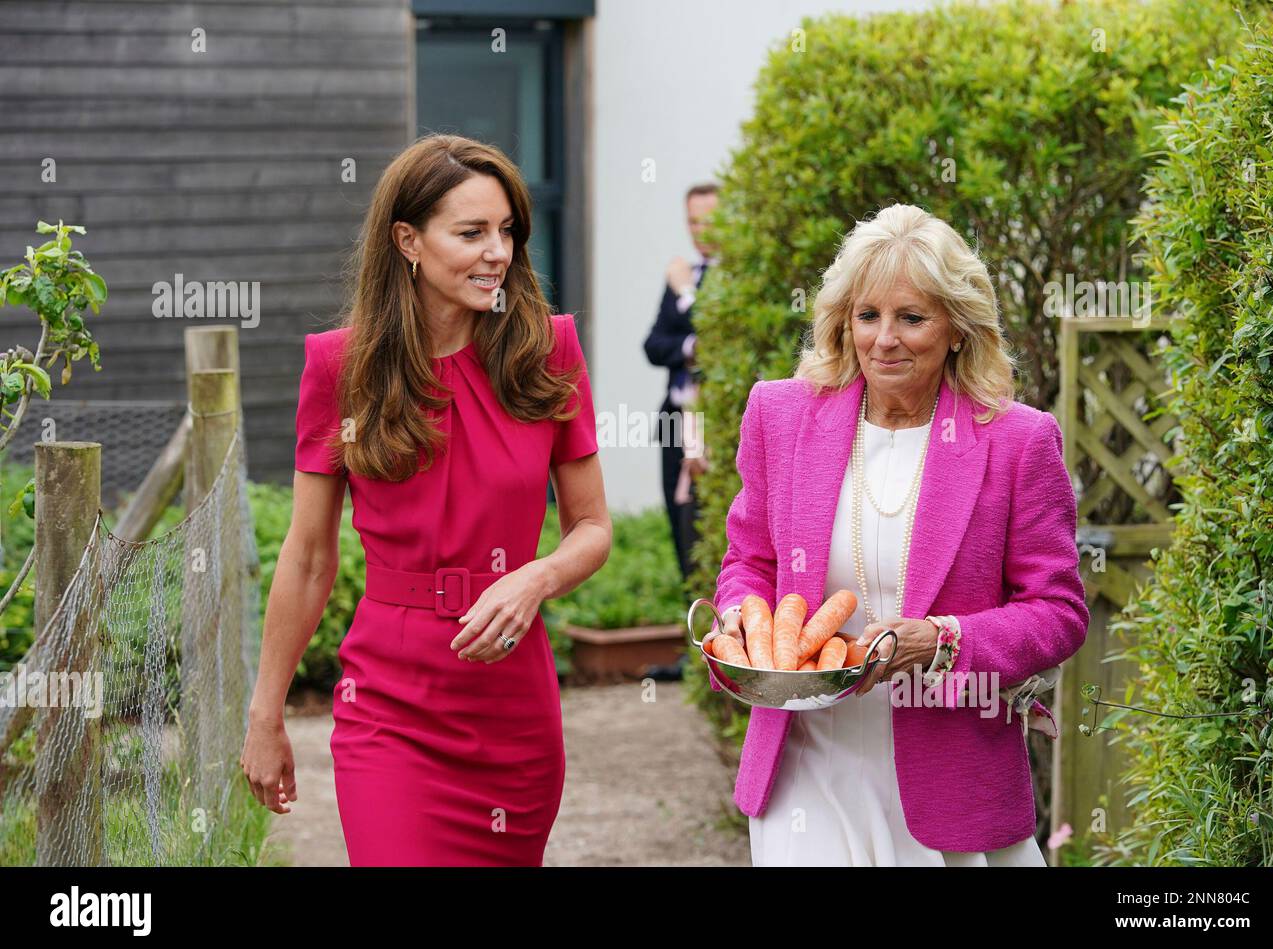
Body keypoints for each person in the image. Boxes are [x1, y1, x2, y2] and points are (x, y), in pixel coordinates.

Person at [239, 134, 612, 866]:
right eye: (471, 233)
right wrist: (265, 711)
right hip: (389, 705)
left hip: (512, 702)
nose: (496, 252)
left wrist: (535, 578)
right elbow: (310, 556)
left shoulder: (549, 350)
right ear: (407, 240)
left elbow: (592, 527)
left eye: (506, 231)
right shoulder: (339, 368)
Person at [706, 203, 1088, 865]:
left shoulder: (1018, 441)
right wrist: (741, 616)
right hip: (806, 765)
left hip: (953, 780)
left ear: (958, 330)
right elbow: (750, 559)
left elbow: (1057, 614)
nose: (885, 339)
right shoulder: (781, 414)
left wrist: (945, 640)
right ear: (843, 319)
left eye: (912, 318)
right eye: (868, 316)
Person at [643, 182, 719, 583]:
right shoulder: (684, 274)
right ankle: (693, 615)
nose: (700, 230)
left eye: (709, 220)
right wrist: (690, 345)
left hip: (720, 423)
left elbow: (721, 334)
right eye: (693, 221)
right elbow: (654, 345)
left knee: (711, 525)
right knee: (679, 526)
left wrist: (686, 293)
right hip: (676, 417)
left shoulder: (734, 279)